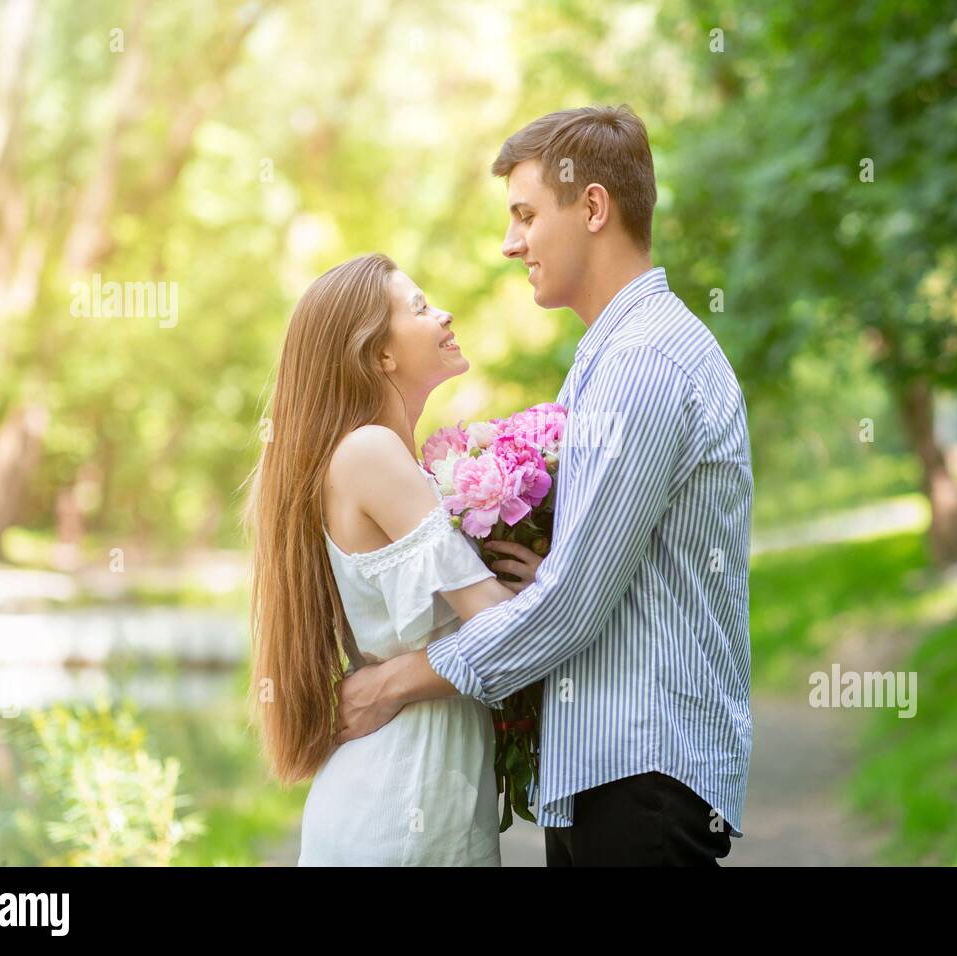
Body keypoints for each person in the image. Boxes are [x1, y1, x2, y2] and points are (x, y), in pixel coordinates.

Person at [336, 105, 754, 866]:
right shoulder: (607, 358)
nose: (510, 243)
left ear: (593, 207)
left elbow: (570, 607)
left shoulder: (643, 364)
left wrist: (393, 683)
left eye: (526, 215)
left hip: (642, 776)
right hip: (613, 770)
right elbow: (577, 580)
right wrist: (548, 572)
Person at [247, 253, 544, 865]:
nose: (444, 313)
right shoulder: (370, 452)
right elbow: (496, 626)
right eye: (419, 307)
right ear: (379, 354)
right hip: (398, 800)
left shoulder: (386, 461)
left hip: (421, 788)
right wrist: (556, 588)